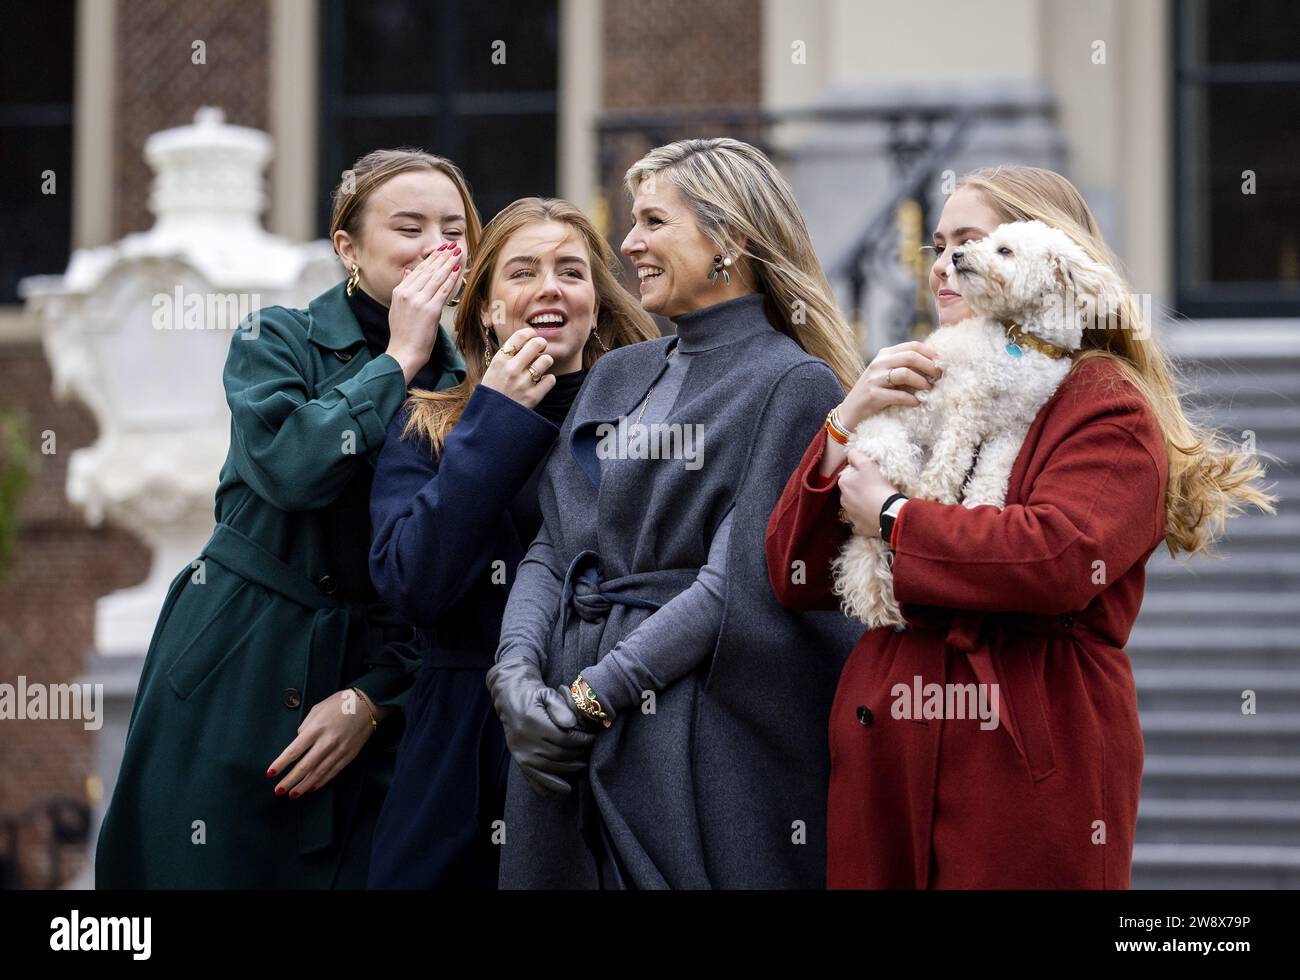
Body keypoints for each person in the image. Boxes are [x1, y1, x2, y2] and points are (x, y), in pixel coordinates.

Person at [765, 164, 1278, 888]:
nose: (947, 265)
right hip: (891, 738)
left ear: (1046, 257)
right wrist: (847, 421)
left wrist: (892, 516)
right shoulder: (920, 378)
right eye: (937, 246)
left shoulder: (1106, 403)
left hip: (1025, 743)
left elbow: (1057, 558)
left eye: (971, 241)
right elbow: (792, 573)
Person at [487, 137, 864, 889]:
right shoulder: (618, 373)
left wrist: (594, 698)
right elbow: (551, 549)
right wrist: (516, 683)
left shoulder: (793, 385)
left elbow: (735, 584)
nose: (628, 244)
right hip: (555, 741)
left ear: (728, 240)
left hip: (685, 744)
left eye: (654, 222)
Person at [95, 148, 476, 888]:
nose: (436, 246)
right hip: (237, 660)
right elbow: (293, 469)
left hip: (375, 688)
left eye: (453, 229)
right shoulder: (275, 339)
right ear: (348, 249)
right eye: (408, 226)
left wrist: (374, 700)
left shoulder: (470, 386)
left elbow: (459, 575)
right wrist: (397, 360)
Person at [366, 198, 657, 889]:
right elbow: (411, 582)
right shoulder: (428, 424)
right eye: (522, 272)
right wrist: (493, 421)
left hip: (614, 723)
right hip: (462, 740)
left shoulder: (653, 418)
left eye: (571, 272)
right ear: (489, 311)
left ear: (595, 303)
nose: (549, 288)